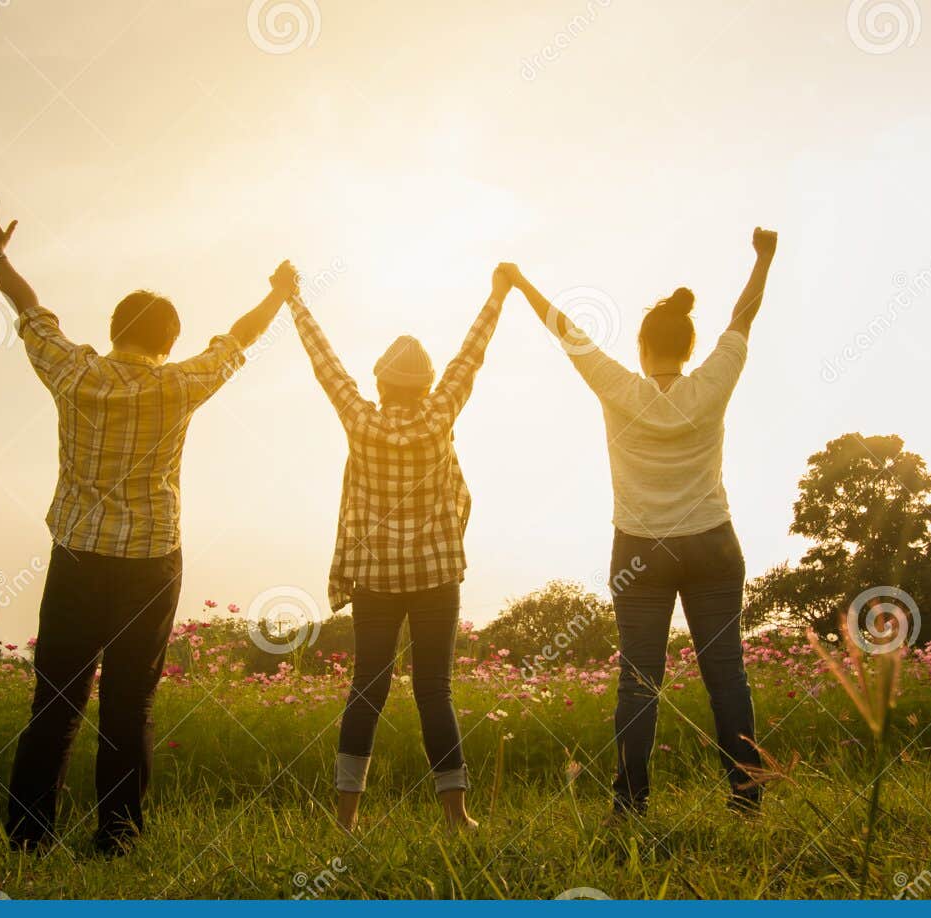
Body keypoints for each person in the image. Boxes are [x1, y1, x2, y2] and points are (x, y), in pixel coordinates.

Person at [0, 199, 298, 854]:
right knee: (127, 705)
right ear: (169, 341)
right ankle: (116, 837)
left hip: (78, 558)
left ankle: (29, 838)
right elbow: (236, 340)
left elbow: (30, 310)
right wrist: (279, 296)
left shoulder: (73, 373)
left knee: (55, 704)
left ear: (115, 328)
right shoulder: (179, 384)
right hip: (150, 562)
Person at [499, 226, 778, 818]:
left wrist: (520, 281)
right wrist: (764, 258)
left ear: (643, 349)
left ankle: (630, 802)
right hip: (712, 543)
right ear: (688, 345)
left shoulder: (620, 387)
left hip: (640, 553)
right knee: (726, 674)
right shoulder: (713, 382)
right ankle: (747, 797)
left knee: (638, 680)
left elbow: (568, 334)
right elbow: (744, 317)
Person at [287, 264, 512, 832]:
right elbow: (472, 355)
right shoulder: (440, 416)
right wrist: (497, 293)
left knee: (367, 690)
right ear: (428, 383)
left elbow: (326, 365)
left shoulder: (361, 421)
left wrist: (295, 302)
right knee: (435, 690)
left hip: (375, 579)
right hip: (436, 574)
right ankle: (457, 815)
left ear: (381, 383)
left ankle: (345, 818)